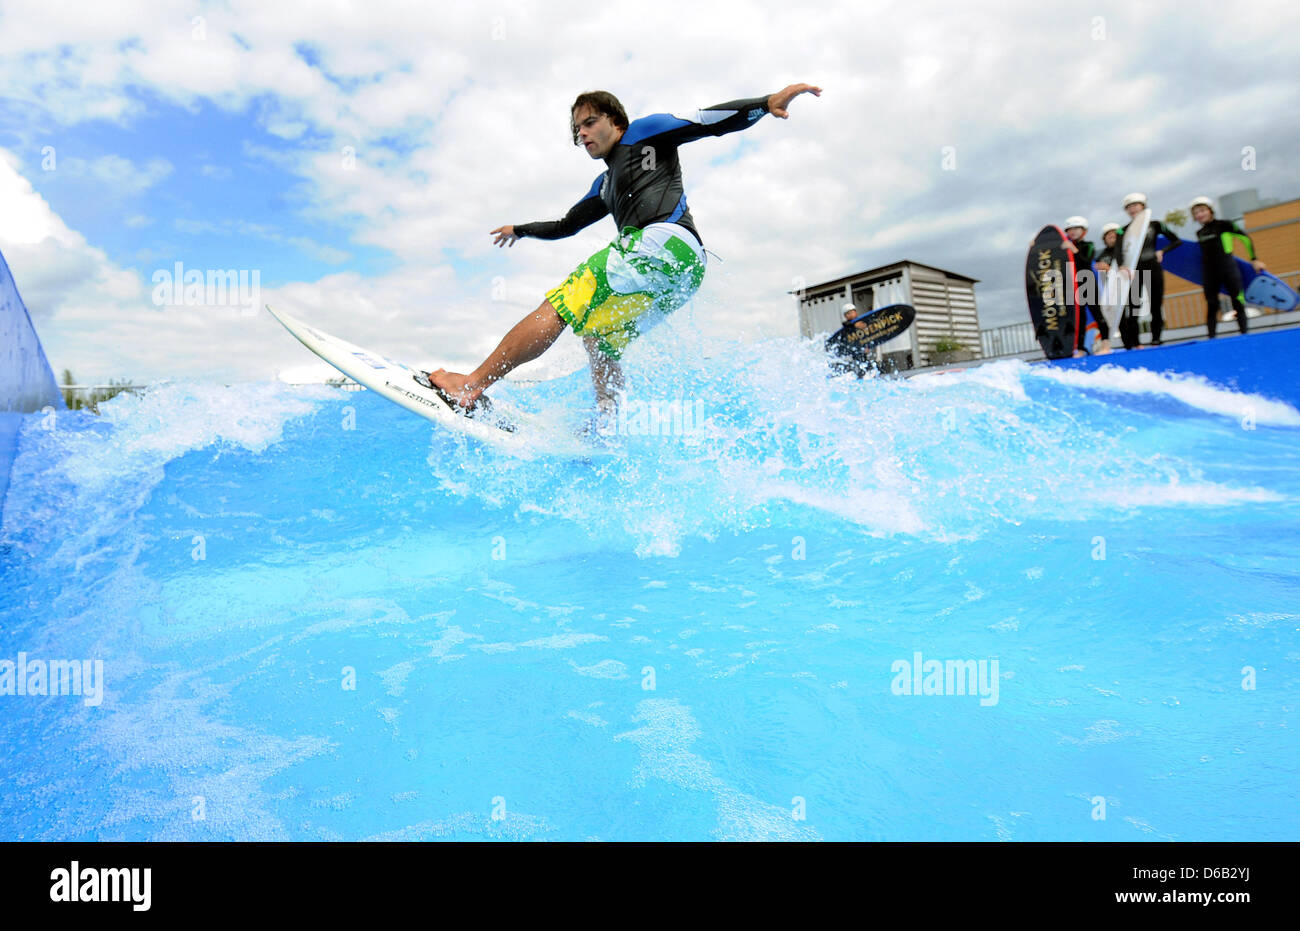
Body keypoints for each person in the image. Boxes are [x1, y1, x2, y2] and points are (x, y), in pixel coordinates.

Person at [420, 83, 822, 416]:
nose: (583, 133)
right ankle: (607, 425)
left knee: (567, 300)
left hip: (661, 241)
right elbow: (566, 225)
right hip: (685, 271)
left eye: (590, 122)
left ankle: (471, 385)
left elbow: (705, 122)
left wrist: (765, 105)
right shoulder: (604, 185)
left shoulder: (645, 132)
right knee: (600, 336)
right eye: (577, 130)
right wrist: (520, 230)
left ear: (616, 121)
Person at [1189, 195, 1267, 338]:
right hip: (1209, 272)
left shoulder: (1225, 225)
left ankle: (1244, 335)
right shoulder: (1199, 233)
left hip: (1228, 268)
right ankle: (1211, 338)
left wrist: (1254, 259)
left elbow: (1245, 238)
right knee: (1212, 305)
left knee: (1237, 301)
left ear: (1210, 210)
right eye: (1196, 213)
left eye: (1202, 210)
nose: (1199, 214)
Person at [1117, 192, 1181, 347]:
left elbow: (1176, 240)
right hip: (1134, 270)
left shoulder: (1156, 225)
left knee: (1155, 304)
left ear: (1143, 206)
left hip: (1152, 266)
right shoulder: (1122, 230)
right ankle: (1136, 342)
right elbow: (1118, 250)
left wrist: (1162, 251)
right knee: (1133, 307)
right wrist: (1121, 265)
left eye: (1135, 205)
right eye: (1129, 207)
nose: (1132, 209)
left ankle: (1156, 339)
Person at [1062, 216, 1109, 355]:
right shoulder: (1064, 247)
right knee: (1080, 317)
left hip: (1087, 280)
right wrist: (1035, 244)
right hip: (1074, 284)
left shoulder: (1088, 245)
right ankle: (1081, 349)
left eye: (1076, 229)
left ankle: (1106, 344)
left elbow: (1086, 262)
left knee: (1096, 312)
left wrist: (1073, 249)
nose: (1073, 232)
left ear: (1083, 231)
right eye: (1070, 229)